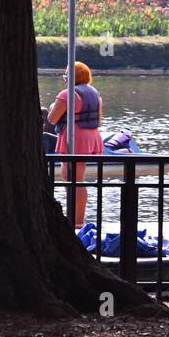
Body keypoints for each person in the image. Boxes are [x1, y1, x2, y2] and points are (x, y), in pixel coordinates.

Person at [47, 61, 104, 228]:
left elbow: (52, 118)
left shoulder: (67, 94)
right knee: (76, 177)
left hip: (75, 137)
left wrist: (53, 107)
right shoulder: (95, 93)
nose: (64, 77)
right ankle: (77, 218)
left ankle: (77, 220)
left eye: (66, 74)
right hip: (92, 135)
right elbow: (98, 119)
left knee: (73, 179)